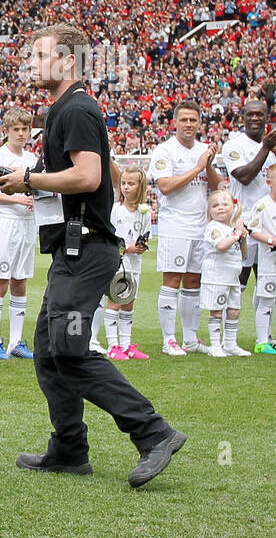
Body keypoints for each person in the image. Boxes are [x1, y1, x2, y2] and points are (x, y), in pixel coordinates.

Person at [0, 23, 186, 488]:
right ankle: (69, 448)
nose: (32, 65)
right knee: (47, 350)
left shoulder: (76, 108)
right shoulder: (70, 109)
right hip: (76, 249)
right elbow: (103, 171)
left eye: (41, 57)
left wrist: (30, 179)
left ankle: (152, 431)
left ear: (67, 62)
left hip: (86, 250)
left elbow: (88, 177)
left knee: (67, 347)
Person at [148, 101, 220, 355]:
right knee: (172, 280)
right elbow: (165, 186)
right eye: (184, 120)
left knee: (193, 281)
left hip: (201, 226)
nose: (189, 124)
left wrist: (208, 164)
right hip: (175, 225)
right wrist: (198, 166)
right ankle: (169, 339)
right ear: (175, 122)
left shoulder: (203, 151)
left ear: (199, 123)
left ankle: (190, 338)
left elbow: (217, 185)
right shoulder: (165, 151)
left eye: (193, 120)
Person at [0, 107, 38, 360]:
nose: (21, 134)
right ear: (7, 131)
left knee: (20, 283)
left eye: (25, 129)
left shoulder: (32, 159)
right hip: (6, 224)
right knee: (0, 282)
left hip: (28, 226)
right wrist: (17, 201)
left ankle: (16, 342)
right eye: (16, 129)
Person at [221, 99, 276, 290]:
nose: (254, 118)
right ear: (243, 117)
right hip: (243, 222)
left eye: (259, 114)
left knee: (267, 281)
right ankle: (228, 320)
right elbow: (244, 177)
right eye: (250, 114)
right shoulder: (233, 146)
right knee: (238, 281)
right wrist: (266, 148)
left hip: (269, 223)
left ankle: (264, 321)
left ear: (267, 118)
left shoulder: (272, 150)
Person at [103, 168, 152, 360]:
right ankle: (112, 345)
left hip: (135, 264)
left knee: (129, 304)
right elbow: (110, 239)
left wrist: (142, 246)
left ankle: (126, 345)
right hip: (118, 263)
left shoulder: (145, 213)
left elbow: (146, 235)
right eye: (123, 183)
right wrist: (127, 248)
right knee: (115, 302)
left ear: (141, 186)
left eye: (131, 183)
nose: (126, 187)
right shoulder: (115, 210)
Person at [200, 189, 250, 357]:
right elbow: (221, 245)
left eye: (224, 204)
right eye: (215, 206)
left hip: (232, 276)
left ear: (233, 208)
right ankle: (215, 345)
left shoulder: (231, 228)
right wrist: (236, 235)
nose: (220, 208)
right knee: (217, 310)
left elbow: (243, 253)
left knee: (234, 309)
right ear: (209, 210)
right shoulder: (213, 228)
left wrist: (242, 237)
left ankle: (230, 343)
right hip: (216, 277)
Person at [243, 165, 276, 353]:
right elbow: (253, 231)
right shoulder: (262, 205)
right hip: (269, 262)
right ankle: (262, 342)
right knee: (266, 300)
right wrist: (272, 240)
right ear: (269, 182)